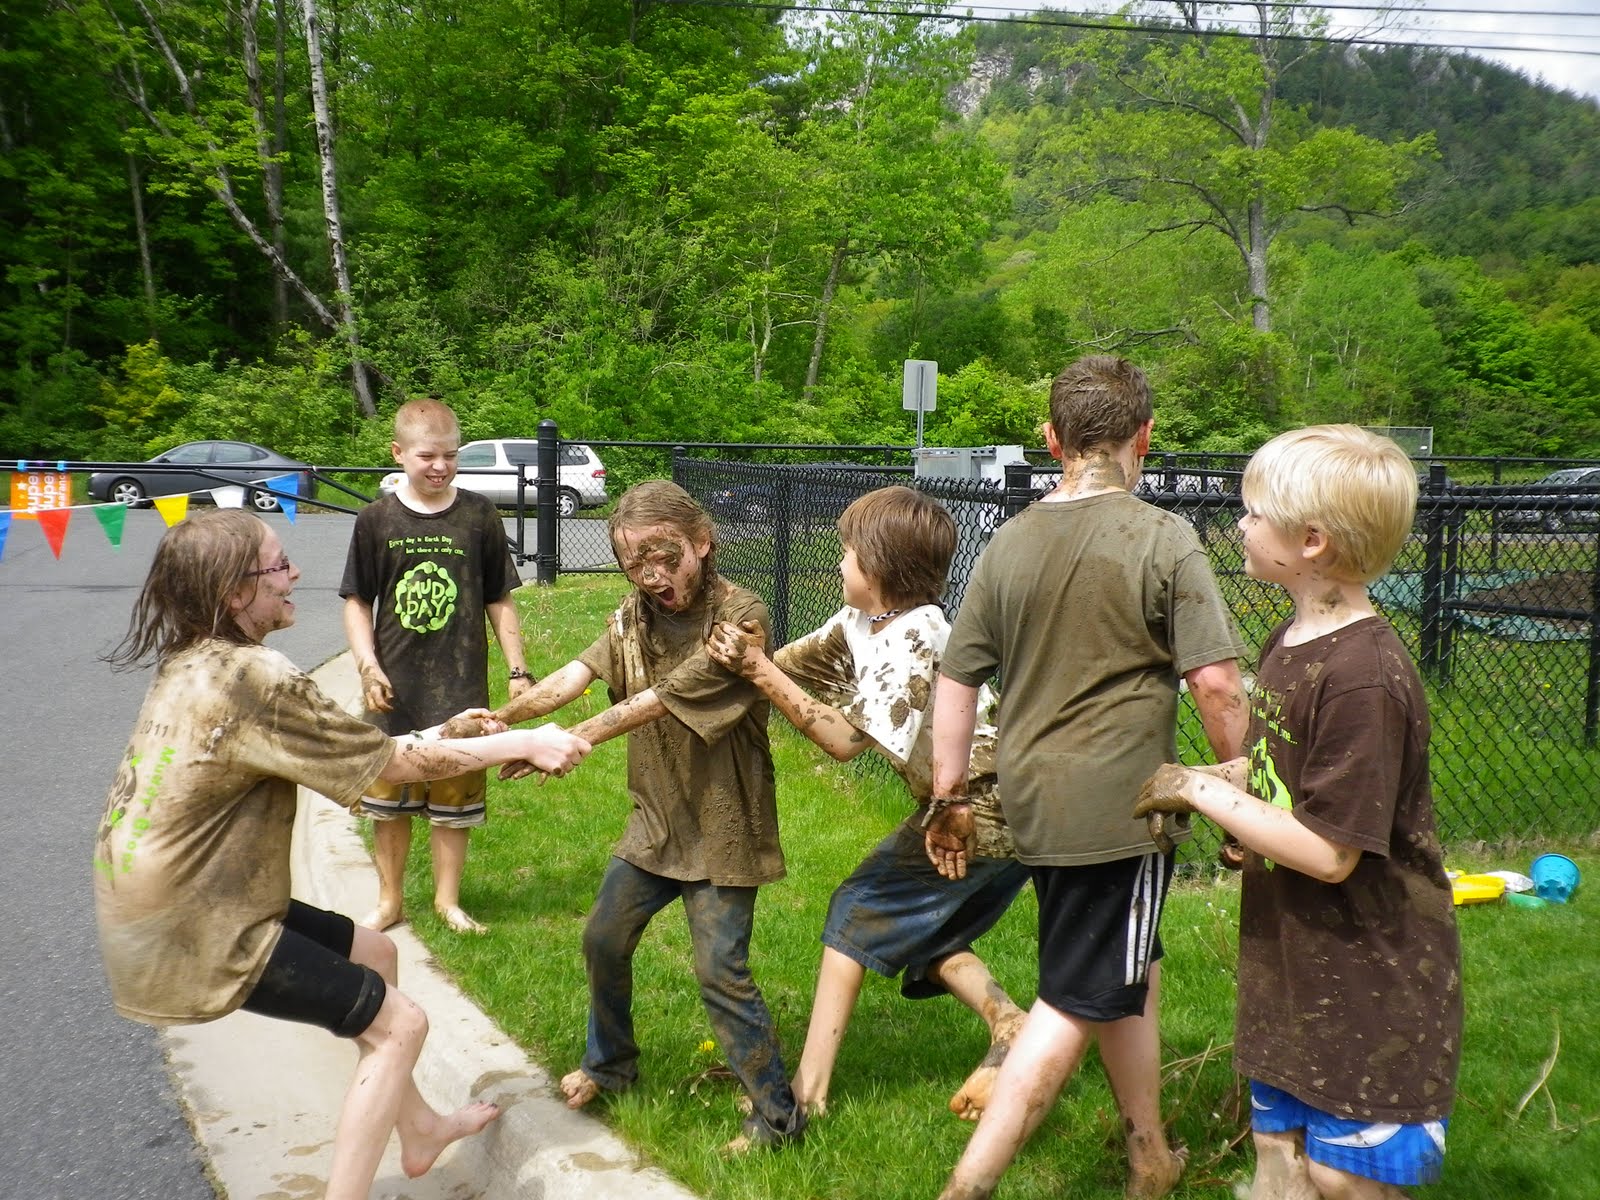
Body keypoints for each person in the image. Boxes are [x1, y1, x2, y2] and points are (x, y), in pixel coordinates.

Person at [92, 510, 590, 1200]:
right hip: (193, 923)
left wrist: (445, 730)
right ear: (236, 592)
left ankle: (417, 1134)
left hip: (180, 898)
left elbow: (355, 750)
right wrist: (521, 743)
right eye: (278, 566)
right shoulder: (252, 676)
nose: (295, 575)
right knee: (400, 1025)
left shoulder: (200, 661)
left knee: (376, 956)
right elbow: (388, 765)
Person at [925, 354, 1250, 1200]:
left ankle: (1150, 1152)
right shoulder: (1163, 537)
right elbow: (1215, 684)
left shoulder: (1008, 543)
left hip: (1035, 808)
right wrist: (1238, 795)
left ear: (1050, 441)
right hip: (1121, 816)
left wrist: (949, 796)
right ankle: (972, 1181)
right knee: (1075, 995)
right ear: (1145, 437)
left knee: (1123, 972)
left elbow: (956, 682)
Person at [1132, 425, 1462, 1199]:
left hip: (1370, 973)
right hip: (1294, 962)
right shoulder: (1294, 637)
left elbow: (1329, 852)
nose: (1238, 525)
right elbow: (1287, 770)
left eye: (1253, 513)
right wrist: (1230, 786)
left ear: (1312, 541)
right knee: (1277, 1160)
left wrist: (1197, 787)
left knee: (1342, 1178)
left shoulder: (1364, 676)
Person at [450, 480, 806, 1151]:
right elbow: (573, 677)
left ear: (701, 541)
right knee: (603, 939)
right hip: (656, 823)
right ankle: (612, 1065)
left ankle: (778, 1117)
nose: (650, 575)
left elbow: (663, 699)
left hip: (725, 826)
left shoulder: (741, 618)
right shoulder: (632, 616)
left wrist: (569, 740)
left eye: (665, 557)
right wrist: (504, 719)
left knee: (719, 972)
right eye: (633, 561)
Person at [705, 485, 1029, 1121]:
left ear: (877, 570)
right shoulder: (863, 621)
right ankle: (1009, 1022)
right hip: (972, 802)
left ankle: (808, 1094)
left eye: (847, 553)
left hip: (981, 806)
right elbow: (784, 664)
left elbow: (845, 741)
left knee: (856, 910)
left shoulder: (917, 634)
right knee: (923, 929)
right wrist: (743, 653)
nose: (838, 563)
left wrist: (758, 673)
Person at [341, 397, 536, 935]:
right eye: (428, 455)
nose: (440, 466)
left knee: (455, 797)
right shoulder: (375, 520)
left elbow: (499, 598)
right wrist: (366, 667)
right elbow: (356, 600)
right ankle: (390, 902)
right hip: (394, 688)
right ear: (399, 453)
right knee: (389, 801)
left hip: (461, 684)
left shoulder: (478, 516)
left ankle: (448, 902)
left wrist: (518, 671)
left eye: (450, 456)